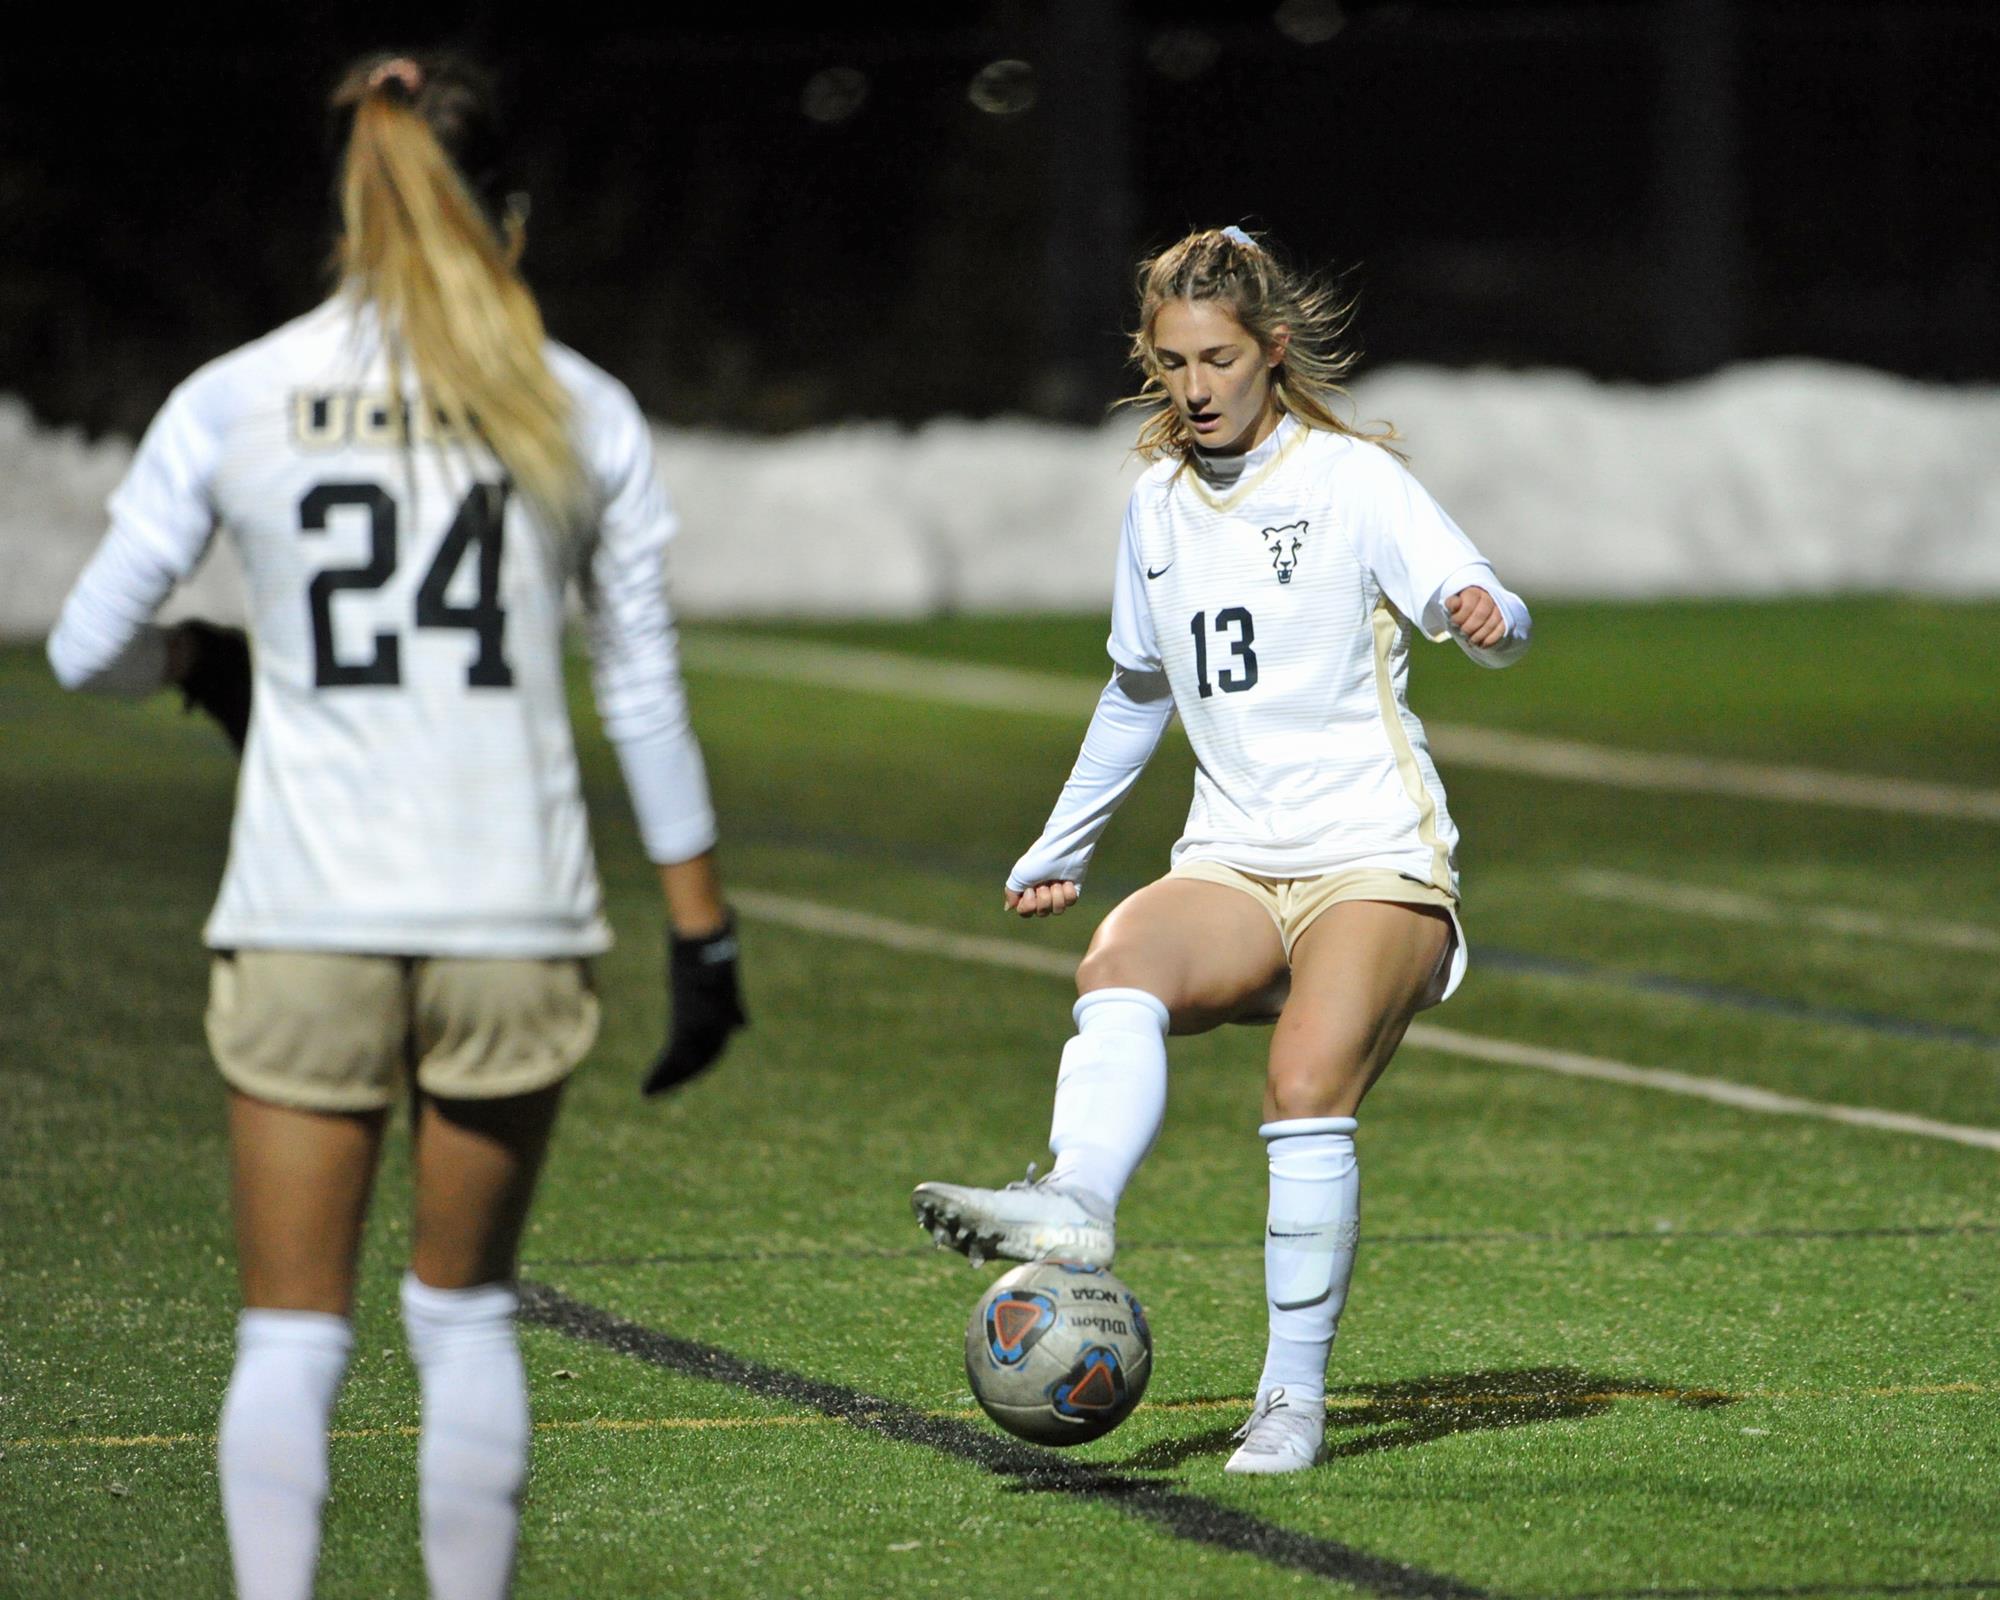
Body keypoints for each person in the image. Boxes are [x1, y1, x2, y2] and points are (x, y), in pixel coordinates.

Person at [46, 52, 745, 1599]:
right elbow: (643, 691)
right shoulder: (578, 406)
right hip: (516, 919)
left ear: (349, 209)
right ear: (512, 216)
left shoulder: (236, 395)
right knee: (467, 1316)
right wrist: (704, 931)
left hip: (306, 914)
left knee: (294, 1334)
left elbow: (82, 644)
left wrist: (201, 663)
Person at [912, 224, 1530, 1475]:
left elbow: (1488, 602)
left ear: (1270, 353)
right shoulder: (1153, 506)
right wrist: (1063, 838)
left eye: (1215, 359)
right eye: (1170, 361)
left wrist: (1485, 616)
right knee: (1117, 960)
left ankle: (1288, 1399)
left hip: (1373, 855)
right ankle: (1076, 1201)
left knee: (1304, 1092)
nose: (1193, 387)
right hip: (1235, 857)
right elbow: (1138, 689)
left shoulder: (1349, 479)